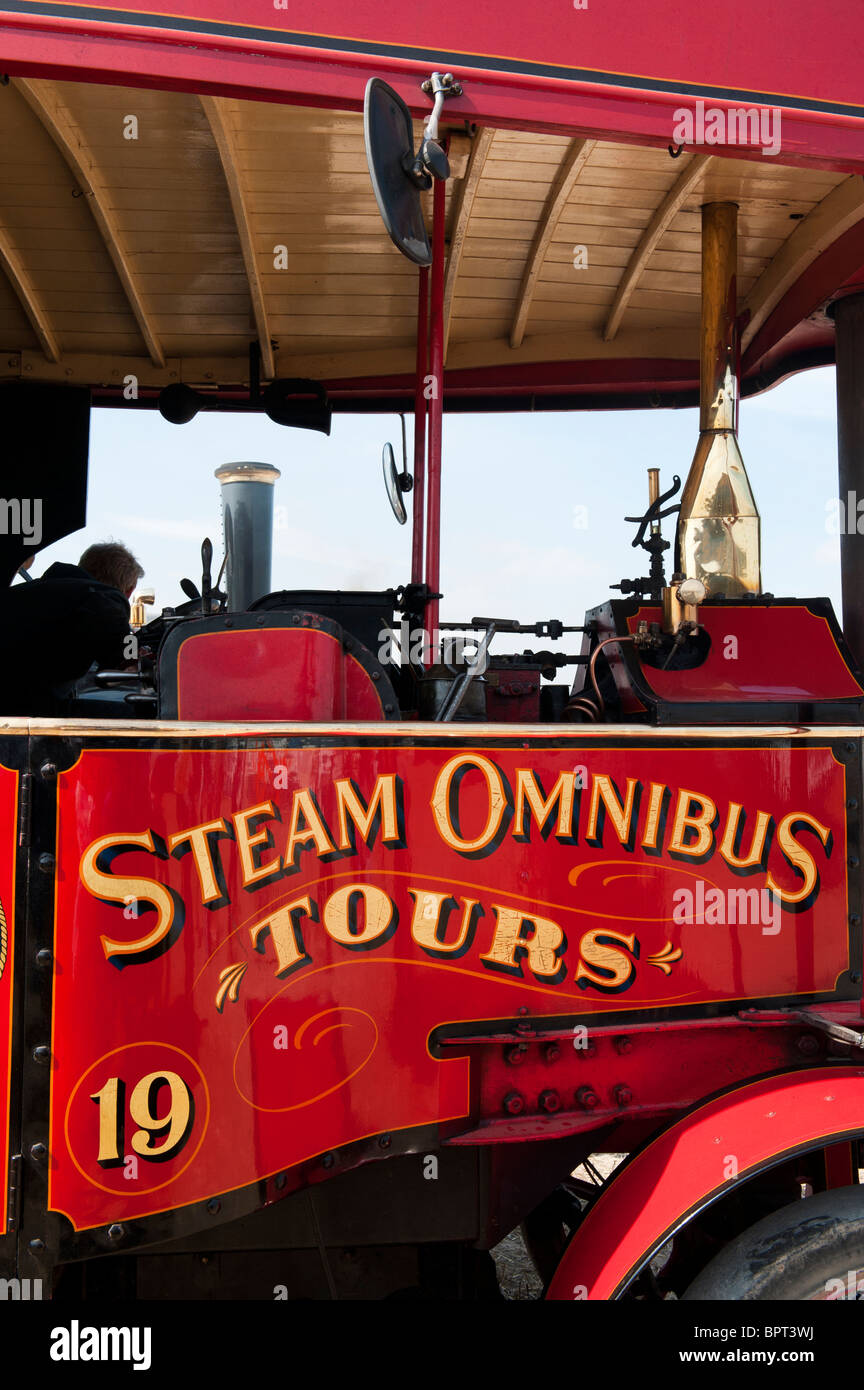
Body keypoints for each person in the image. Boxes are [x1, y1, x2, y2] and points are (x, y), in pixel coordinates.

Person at [0, 541, 144, 716]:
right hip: (26, 712)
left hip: (12, 702)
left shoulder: (31, 591)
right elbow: (127, 661)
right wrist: (139, 653)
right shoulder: (102, 597)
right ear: (128, 591)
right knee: (140, 715)